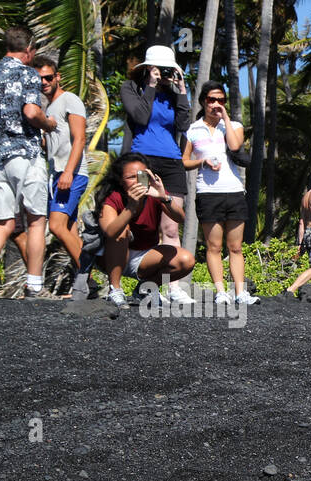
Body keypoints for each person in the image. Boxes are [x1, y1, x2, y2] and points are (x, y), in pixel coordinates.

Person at [0, 26, 61, 299]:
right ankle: (34, 285)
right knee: (36, 220)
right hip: (23, 154)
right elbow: (31, 112)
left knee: (3, 222)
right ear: (29, 50)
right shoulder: (27, 74)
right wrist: (49, 123)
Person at [121, 45, 194, 304]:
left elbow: (185, 125)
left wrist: (182, 91)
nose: (162, 74)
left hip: (172, 162)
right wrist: (151, 86)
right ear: (147, 69)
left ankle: (171, 287)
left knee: (171, 226)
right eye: (158, 69)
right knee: (139, 218)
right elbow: (140, 116)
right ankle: (124, 279)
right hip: (142, 160)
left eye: (166, 70)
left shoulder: (173, 94)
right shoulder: (131, 89)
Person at [183, 81, 258, 306]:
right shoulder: (193, 129)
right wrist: (202, 161)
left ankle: (240, 292)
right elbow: (185, 161)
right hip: (208, 192)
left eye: (221, 100)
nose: (216, 104)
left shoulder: (233, 125)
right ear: (203, 101)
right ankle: (220, 291)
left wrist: (225, 117)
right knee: (213, 246)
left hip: (233, 190)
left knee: (235, 246)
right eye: (211, 100)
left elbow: (235, 147)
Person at [94, 152, 196, 308]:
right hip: (110, 255)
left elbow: (180, 218)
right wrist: (131, 208)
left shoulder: (154, 194)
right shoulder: (113, 197)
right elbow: (111, 232)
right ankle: (114, 289)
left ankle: (145, 289)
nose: (137, 181)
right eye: (131, 177)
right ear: (121, 181)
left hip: (143, 257)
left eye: (141, 175)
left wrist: (165, 198)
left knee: (185, 260)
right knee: (122, 230)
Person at [35, 56, 87, 293]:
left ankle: (89, 277)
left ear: (57, 77)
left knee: (56, 226)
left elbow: (80, 139)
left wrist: (68, 172)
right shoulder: (48, 107)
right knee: (69, 229)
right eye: (40, 79)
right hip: (56, 174)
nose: (44, 82)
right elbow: (53, 145)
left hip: (72, 173)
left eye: (48, 77)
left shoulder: (70, 100)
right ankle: (86, 284)